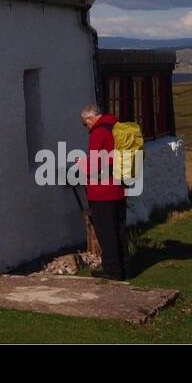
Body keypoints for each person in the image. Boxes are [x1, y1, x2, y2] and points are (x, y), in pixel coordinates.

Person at [78, 103, 128, 280]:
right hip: (119, 188)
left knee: (106, 231)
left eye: (85, 124)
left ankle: (113, 270)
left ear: (90, 118)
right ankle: (124, 266)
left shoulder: (99, 132)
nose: (87, 127)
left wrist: (80, 163)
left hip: (103, 191)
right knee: (119, 228)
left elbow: (95, 164)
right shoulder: (116, 127)